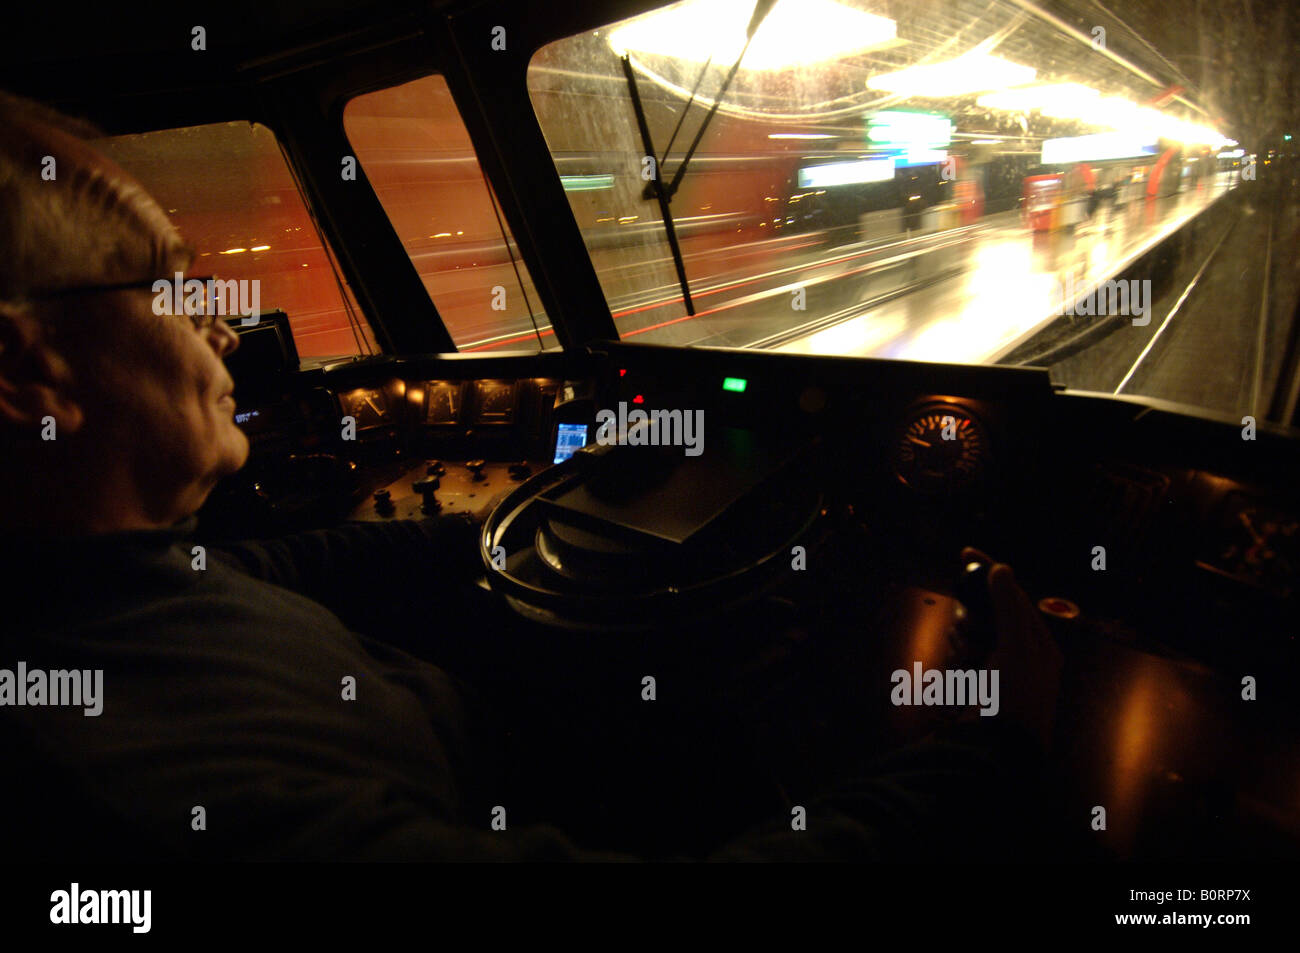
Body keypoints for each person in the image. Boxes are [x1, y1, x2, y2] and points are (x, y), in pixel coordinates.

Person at [0, 91, 1063, 861]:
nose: (224, 331)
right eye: (172, 292)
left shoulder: (99, 585)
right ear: (21, 376)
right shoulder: (128, 785)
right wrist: (991, 751)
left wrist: (550, 517)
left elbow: (308, 562)